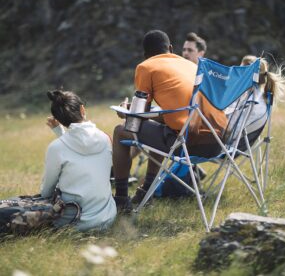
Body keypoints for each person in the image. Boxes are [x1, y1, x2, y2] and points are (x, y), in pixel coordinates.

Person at [112, 30, 227, 211]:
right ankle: (145, 193)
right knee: (159, 128)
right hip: (219, 142)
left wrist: (127, 113)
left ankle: (120, 199)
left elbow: (140, 115)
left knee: (120, 132)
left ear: (145, 54)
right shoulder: (191, 66)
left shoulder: (146, 67)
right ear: (171, 49)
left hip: (189, 144)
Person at [42, 90, 117, 231]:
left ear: (58, 118)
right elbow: (86, 162)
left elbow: (46, 191)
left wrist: (60, 134)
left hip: (70, 222)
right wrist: (61, 134)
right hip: (107, 218)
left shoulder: (56, 148)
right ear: (82, 109)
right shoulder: (106, 139)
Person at [227, 55, 285, 149]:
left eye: (241, 71)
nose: (238, 74)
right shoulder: (257, 98)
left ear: (250, 75)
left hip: (222, 143)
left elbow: (232, 130)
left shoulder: (253, 102)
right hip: (231, 142)